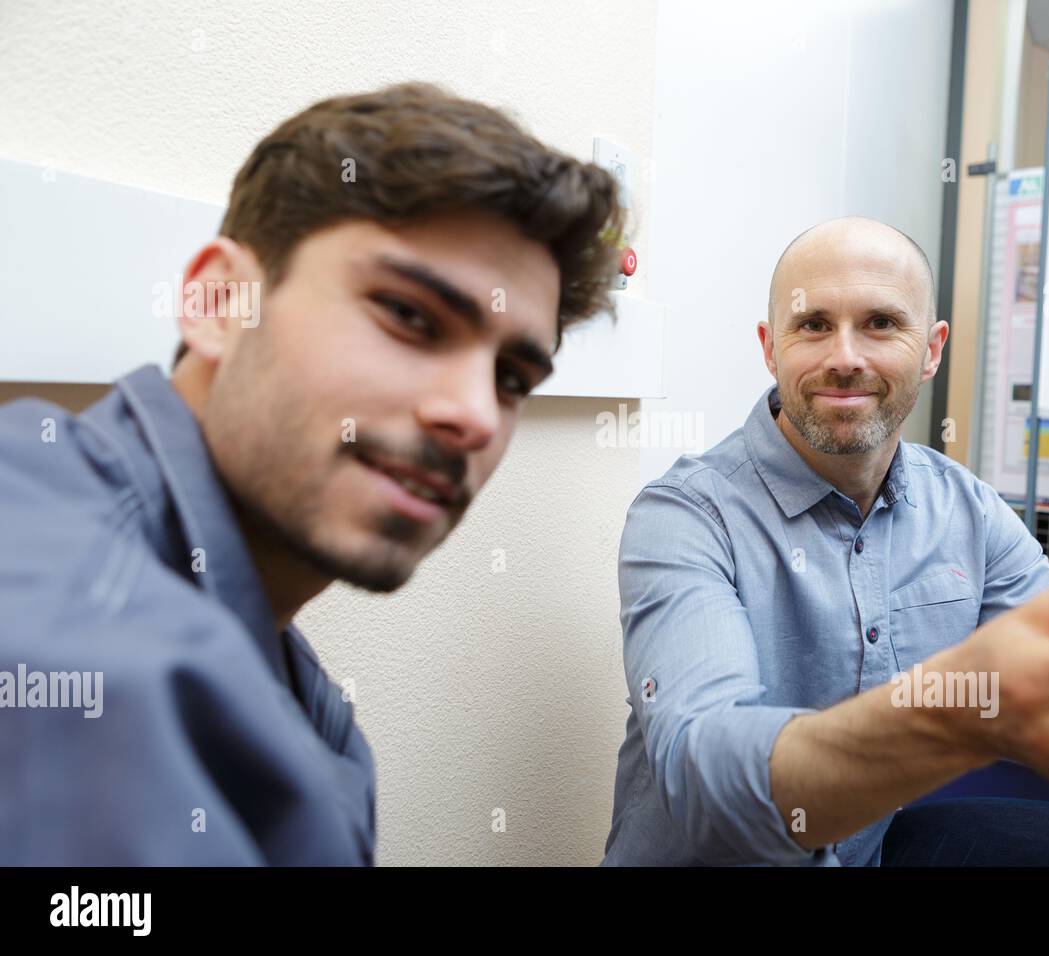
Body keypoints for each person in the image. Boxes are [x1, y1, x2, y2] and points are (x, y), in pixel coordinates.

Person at [0, 82, 623, 864]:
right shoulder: (83, 658)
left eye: (511, 379)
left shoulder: (257, 653)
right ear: (221, 302)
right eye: (409, 316)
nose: (473, 416)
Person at [603, 216, 1049, 866]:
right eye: (814, 324)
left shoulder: (966, 512)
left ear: (933, 348)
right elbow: (706, 772)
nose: (845, 356)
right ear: (771, 347)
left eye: (881, 323)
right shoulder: (683, 516)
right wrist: (948, 718)